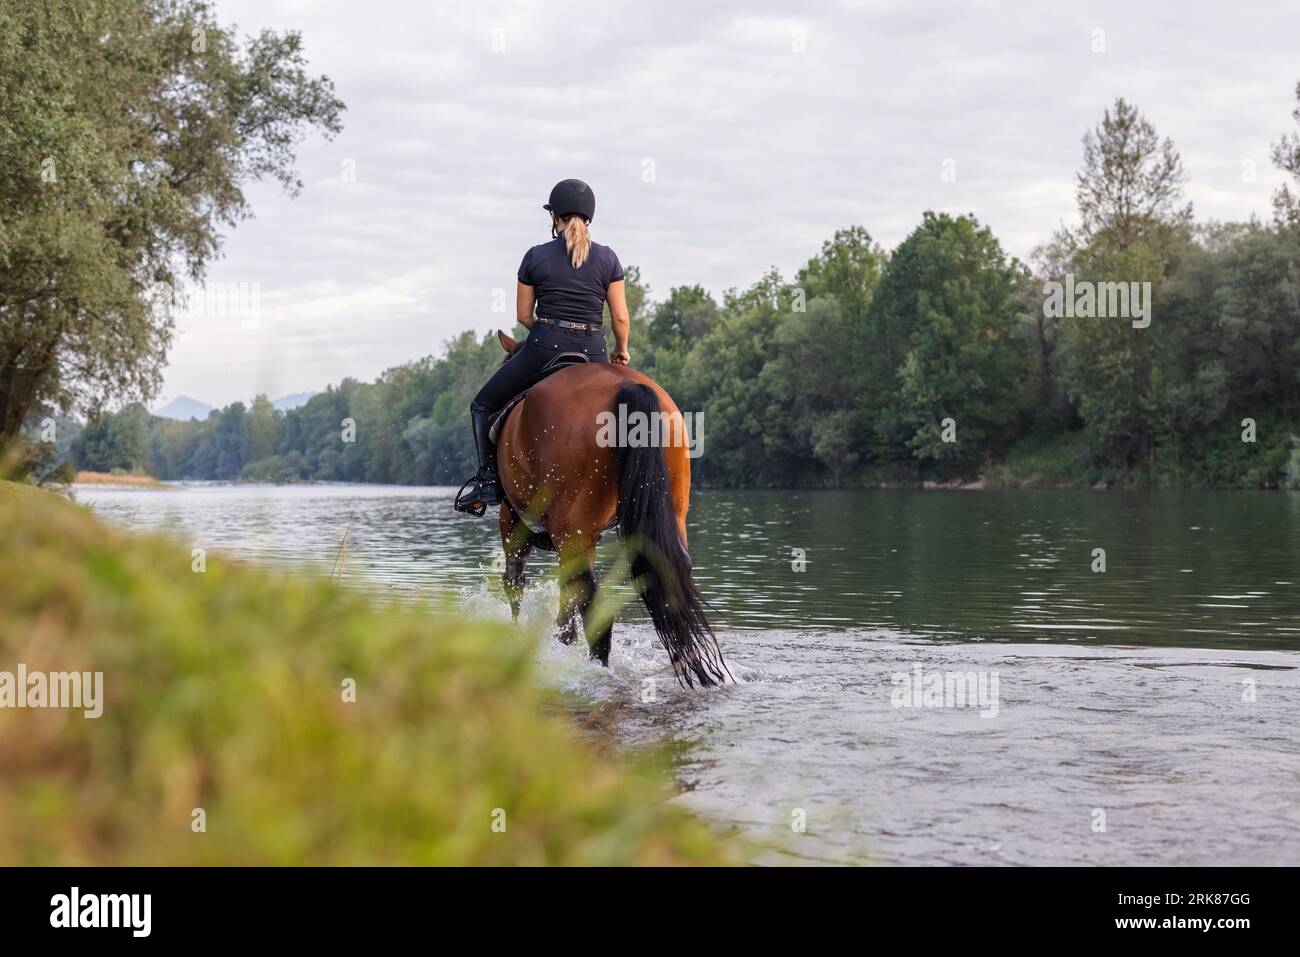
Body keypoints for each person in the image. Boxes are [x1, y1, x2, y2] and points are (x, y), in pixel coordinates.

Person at [454, 178, 631, 514]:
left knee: (481, 405)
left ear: (555, 217)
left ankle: (488, 480)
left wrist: (549, 333)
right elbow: (620, 319)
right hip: (594, 353)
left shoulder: (535, 256)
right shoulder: (608, 259)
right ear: (589, 216)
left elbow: (523, 315)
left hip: (544, 346)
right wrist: (621, 350)